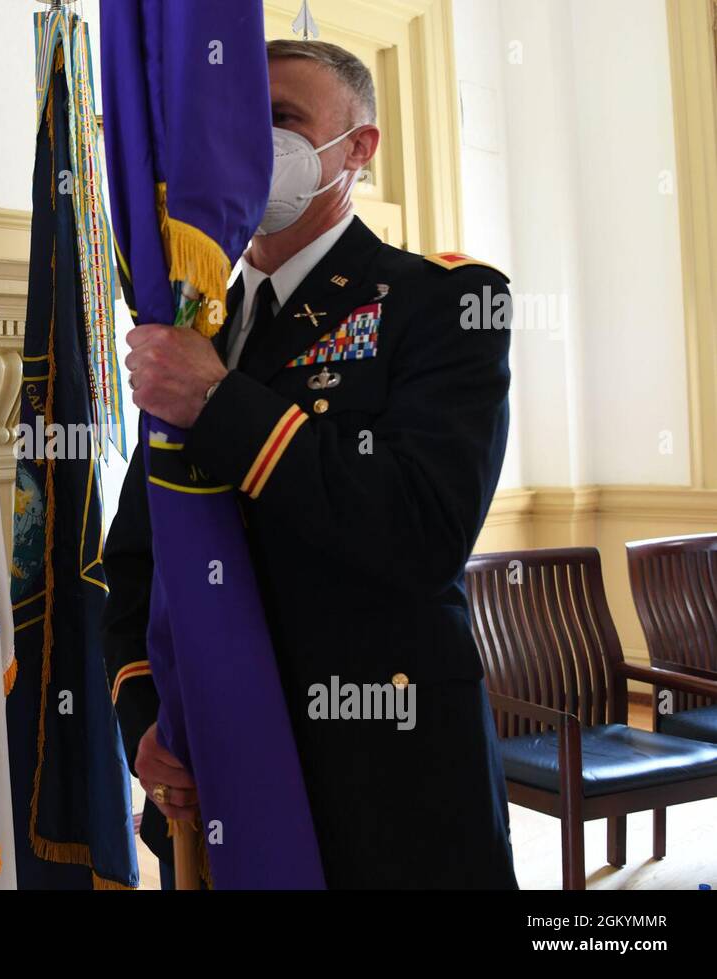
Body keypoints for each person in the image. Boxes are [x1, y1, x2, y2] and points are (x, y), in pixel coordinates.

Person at [103, 40, 519, 888]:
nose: (249, 147)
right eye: (232, 126)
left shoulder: (441, 302)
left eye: (281, 121)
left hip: (382, 773)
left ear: (357, 149)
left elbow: (420, 529)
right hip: (213, 759)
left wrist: (218, 404)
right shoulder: (196, 320)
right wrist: (149, 719)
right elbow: (137, 557)